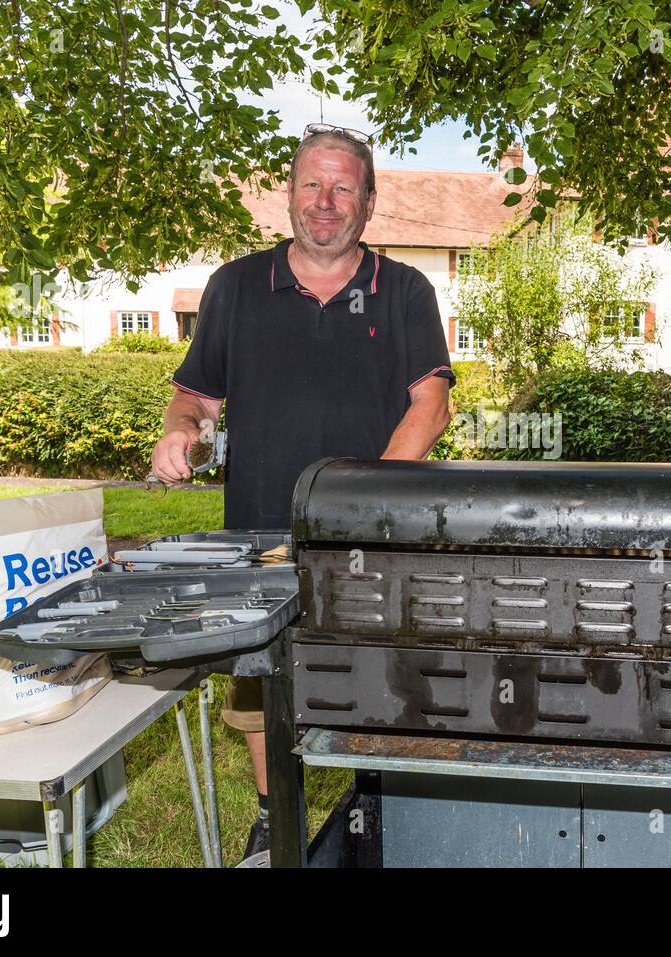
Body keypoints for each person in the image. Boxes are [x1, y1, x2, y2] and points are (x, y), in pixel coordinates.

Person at [150, 124, 454, 858]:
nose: (326, 202)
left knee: (377, 674)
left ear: (369, 201)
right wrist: (179, 431)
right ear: (288, 193)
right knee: (261, 682)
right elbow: (194, 396)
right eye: (312, 184)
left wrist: (366, 502)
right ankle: (269, 808)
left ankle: (372, 811)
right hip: (256, 534)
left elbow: (431, 404)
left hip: (372, 536)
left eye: (344, 186)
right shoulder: (235, 287)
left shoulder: (404, 290)